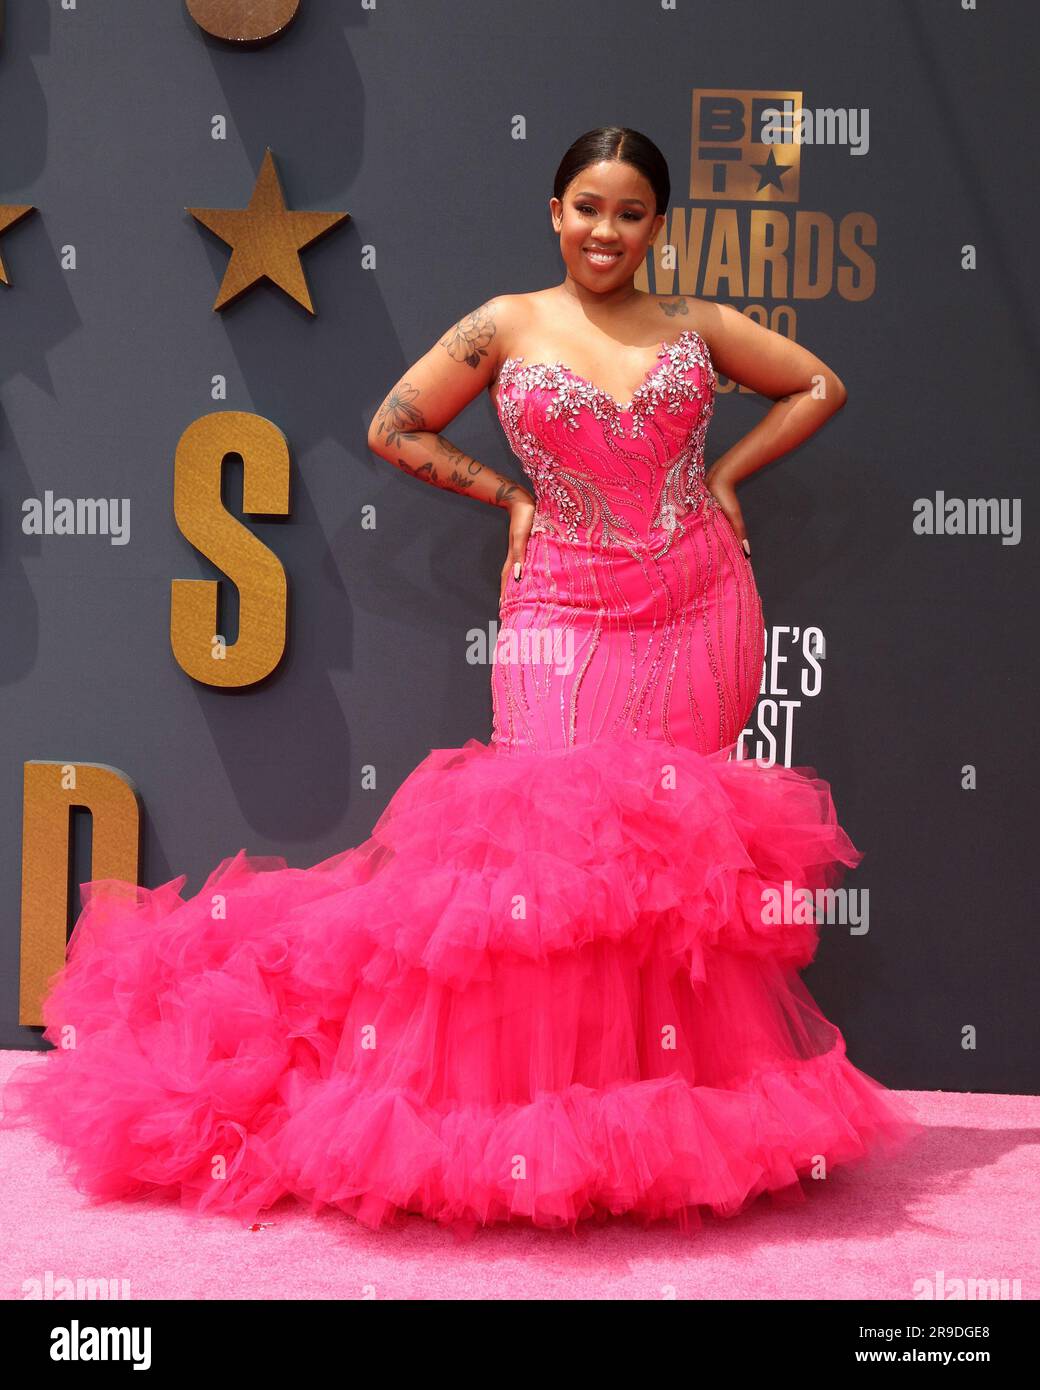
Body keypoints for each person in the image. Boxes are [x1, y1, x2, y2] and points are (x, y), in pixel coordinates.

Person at [1, 127, 921, 1235]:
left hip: (698, 605)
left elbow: (817, 383)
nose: (605, 232)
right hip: (560, 611)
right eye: (588, 206)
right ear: (553, 210)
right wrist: (513, 498)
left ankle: (658, 1124)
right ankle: (540, 1120)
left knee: (668, 870)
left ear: (657, 227)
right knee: (547, 858)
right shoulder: (506, 320)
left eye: (630, 214)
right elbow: (394, 423)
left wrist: (723, 474)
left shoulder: (696, 328)